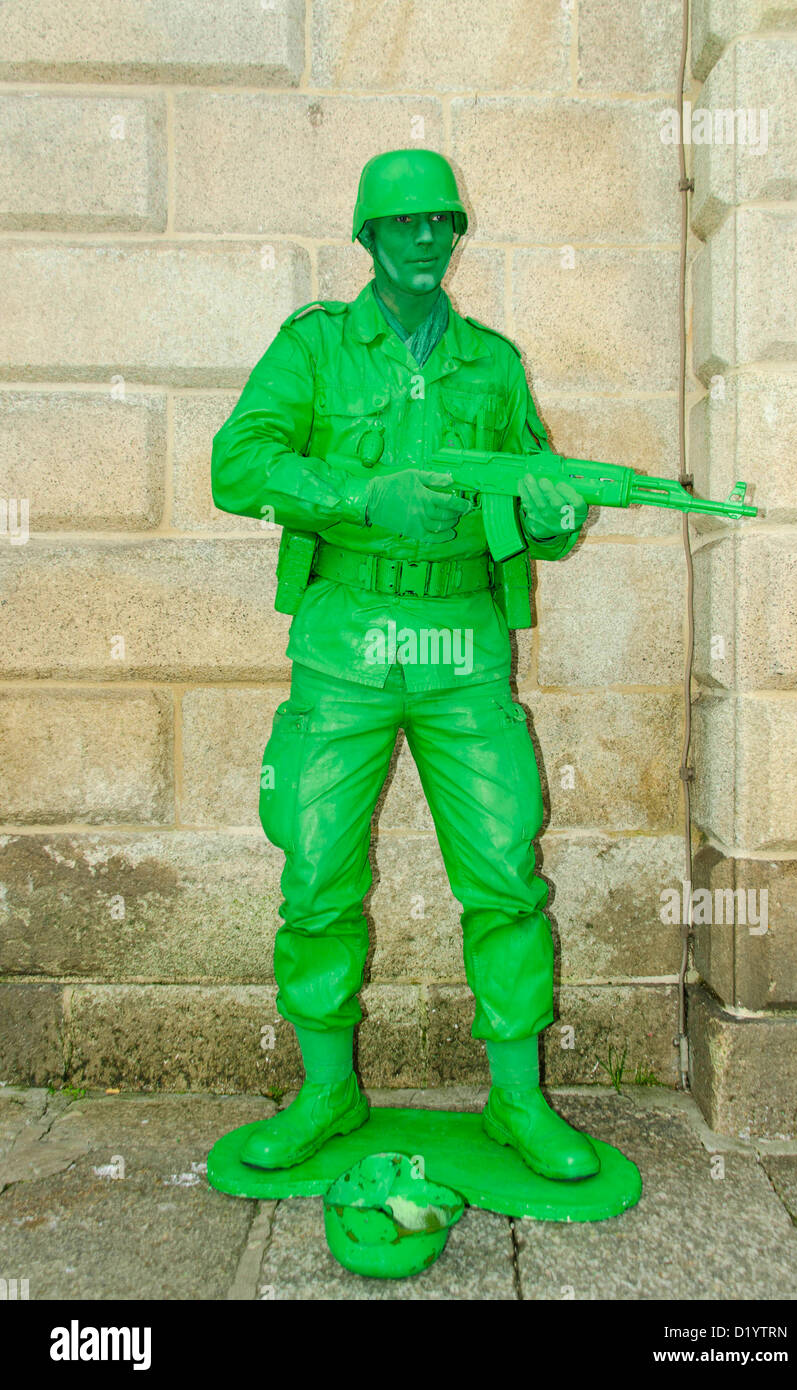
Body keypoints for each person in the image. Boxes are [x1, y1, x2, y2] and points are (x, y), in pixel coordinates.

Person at [211, 148, 599, 1181]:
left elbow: (533, 492)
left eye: (442, 223)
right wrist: (359, 495)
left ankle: (517, 1099)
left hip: (464, 649)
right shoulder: (316, 351)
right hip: (346, 646)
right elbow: (235, 466)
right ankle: (327, 1089)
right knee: (316, 868)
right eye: (405, 223)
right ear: (368, 237)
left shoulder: (493, 362)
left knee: (506, 873)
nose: (426, 240)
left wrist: (558, 514)